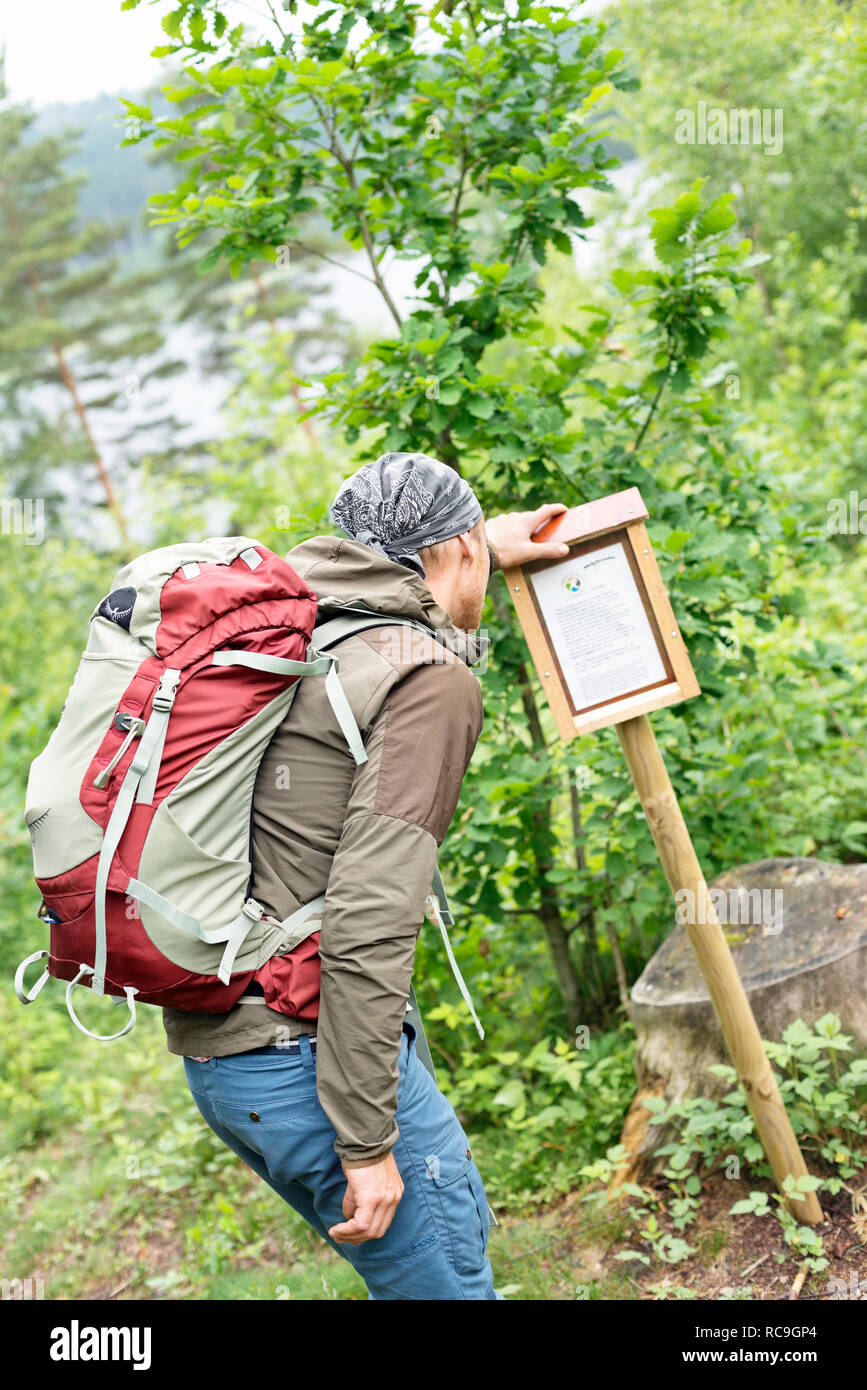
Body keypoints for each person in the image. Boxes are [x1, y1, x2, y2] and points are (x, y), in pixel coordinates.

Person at [162, 452, 570, 1299]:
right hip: (302, 1056)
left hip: (228, 1059)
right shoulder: (430, 680)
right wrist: (366, 1143)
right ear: (455, 549)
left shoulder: (293, 623)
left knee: (439, 1265)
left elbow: (400, 575)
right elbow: (369, 918)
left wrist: (484, 542)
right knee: (448, 1286)